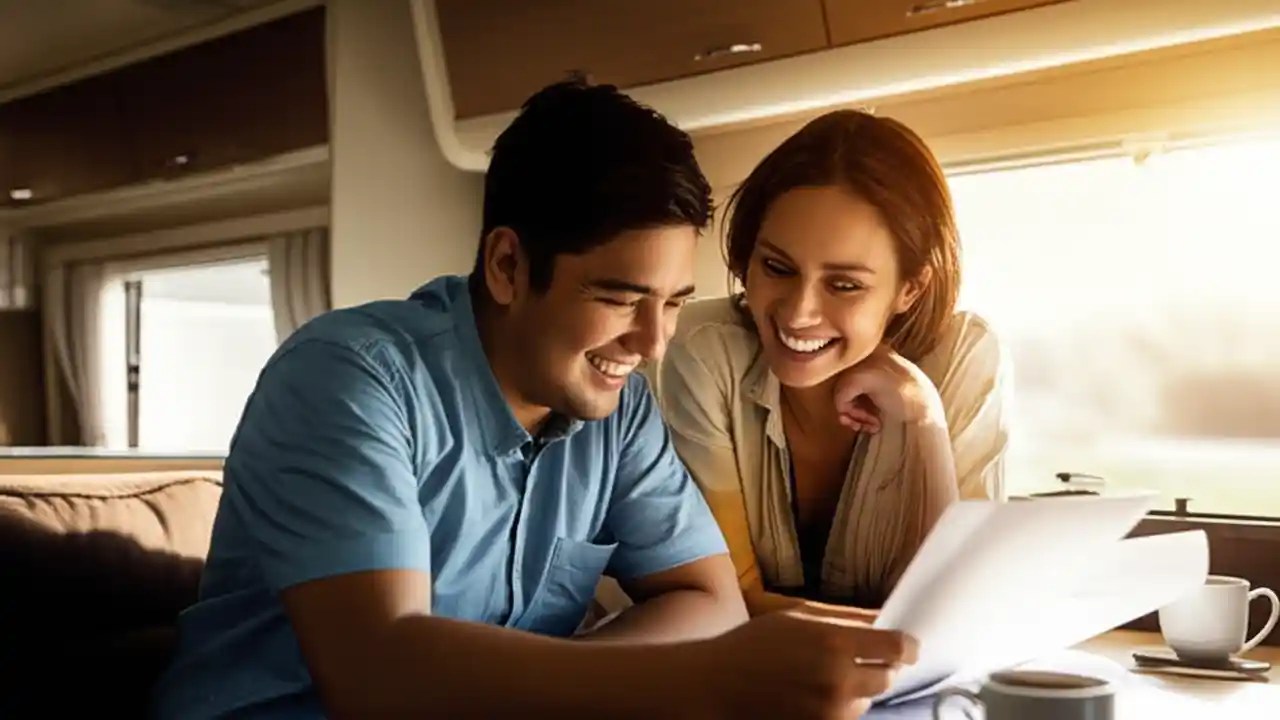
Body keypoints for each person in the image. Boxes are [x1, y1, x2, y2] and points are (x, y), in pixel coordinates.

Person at [151, 82, 918, 720]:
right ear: (508, 265)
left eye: (674, 303)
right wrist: (700, 680)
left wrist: (581, 686)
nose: (653, 342)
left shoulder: (618, 411)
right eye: (620, 298)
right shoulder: (348, 378)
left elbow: (709, 601)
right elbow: (380, 675)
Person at [654, 109, 1010, 618]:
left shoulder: (964, 357)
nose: (798, 313)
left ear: (910, 289)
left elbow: (964, 604)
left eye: (844, 285)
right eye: (777, 267)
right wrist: (896, 633)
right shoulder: (706, 350)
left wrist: (924, 416)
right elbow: (728, 603)